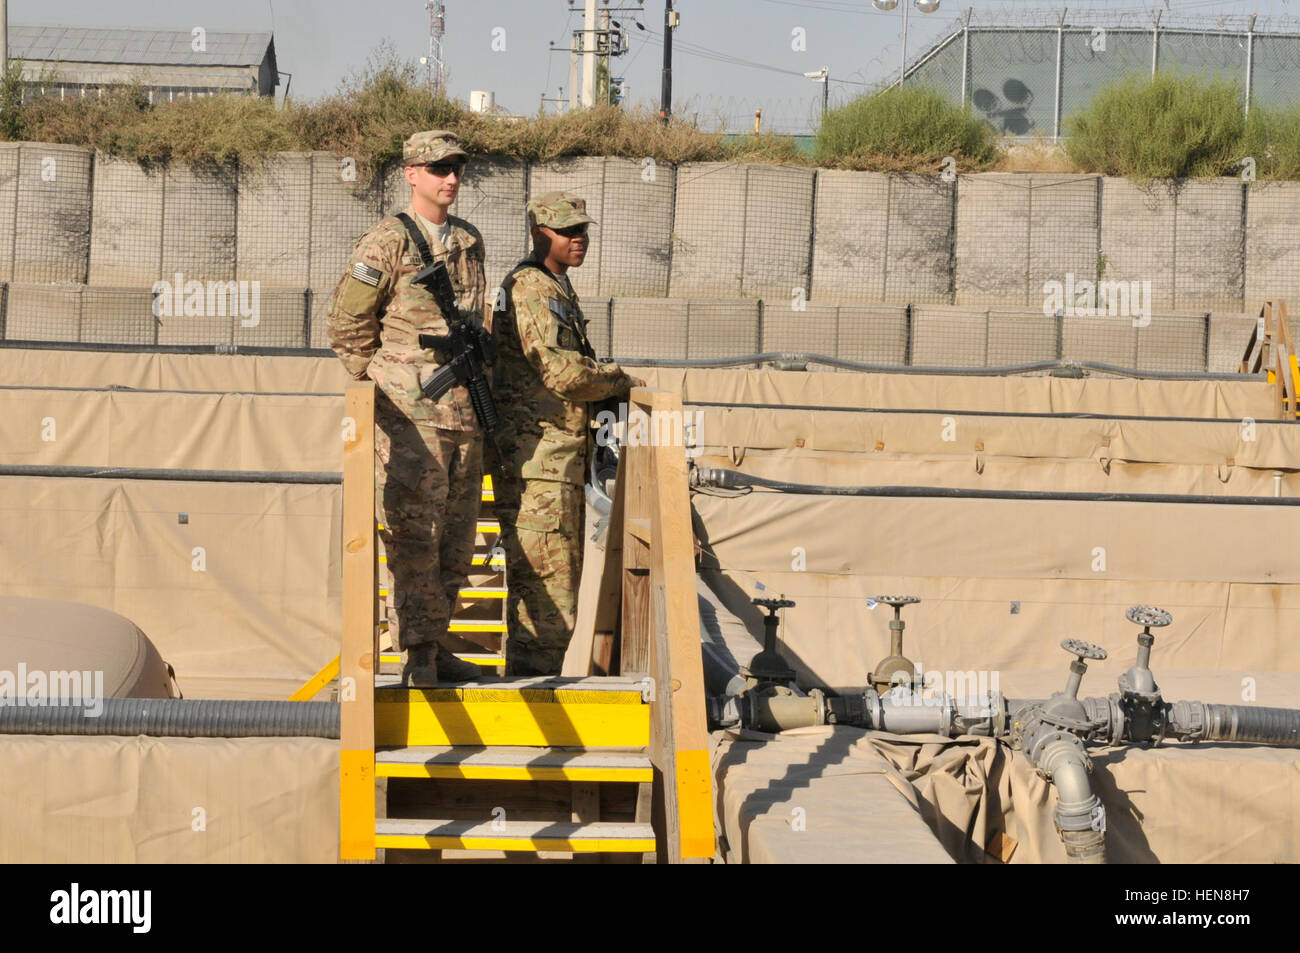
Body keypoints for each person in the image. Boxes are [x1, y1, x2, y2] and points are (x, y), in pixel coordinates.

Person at [327, 129, 487, 687]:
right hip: (410, 420)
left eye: (457, 169)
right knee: (414, 533)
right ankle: (417, 654)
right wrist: (381, 382)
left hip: (464, 411)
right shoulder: (386, 242)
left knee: (457, 536)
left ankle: (436, 642)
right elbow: (347, 324)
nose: (450, 179)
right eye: (438, 168)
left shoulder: (469, 240)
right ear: (411, 174)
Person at [491, 191, 643, 676]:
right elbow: (562, 374)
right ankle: (529, 705)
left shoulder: (556, 287)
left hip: (559, 461)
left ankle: (538, 696)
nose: (581, 239)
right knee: (546, 601)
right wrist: (619, 378)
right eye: (568, 232)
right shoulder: (532, 288)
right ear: (540, 234)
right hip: (541, 466)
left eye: (584, 230)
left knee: (559, 593)